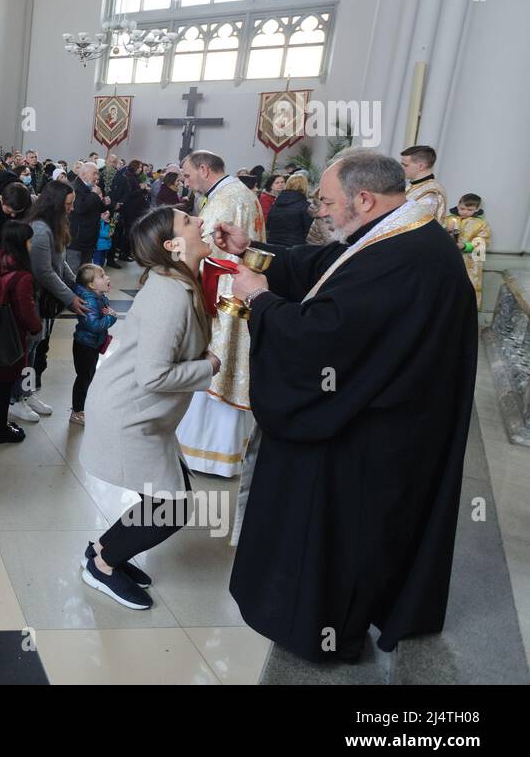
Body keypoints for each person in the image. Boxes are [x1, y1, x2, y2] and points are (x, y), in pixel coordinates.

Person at [218, 151, 477, 661]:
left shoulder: (408, 255)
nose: (322, 211)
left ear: (364, 198)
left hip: (371, 432)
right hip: (390, 415)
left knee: (336, 535)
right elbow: (327, 266)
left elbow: (325, 336)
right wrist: (255, 251)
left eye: (328, 202)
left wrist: (261, 301)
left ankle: (321, 630)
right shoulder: (398, 232)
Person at [80, 206, 219, 609]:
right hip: (129, 412)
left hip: (143, 412)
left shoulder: (178, 278)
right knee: (171, 508)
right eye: (190, 221)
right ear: (172, 245)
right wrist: (207, 366)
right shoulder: (169, 294)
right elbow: (153, 376)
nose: (201, 222)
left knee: (170, 496)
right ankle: (102, 565)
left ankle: (103, 550)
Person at [173, 150, 265, 479]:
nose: (184, 181)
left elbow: (202, 248)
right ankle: (222, 452)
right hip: (235, 291)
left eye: (186, 174)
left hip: (225, 296)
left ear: (204, 169)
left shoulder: (225, 200)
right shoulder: (238, 192)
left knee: (215, 366)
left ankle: (206, 455)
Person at [22, 180, 84, 422]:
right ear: (56, 204)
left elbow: (59, 260)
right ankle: (17, 397)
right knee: (28, 350)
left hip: (45, 300)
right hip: (35, 298)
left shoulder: (52, 226)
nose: (71, 208)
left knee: (35, 350)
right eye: (68, 204)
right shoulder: (39, 229)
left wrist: (76, 282)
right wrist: (70, 297)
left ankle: (27, 393)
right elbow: (43, 271)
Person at [0, 220, 41, 444]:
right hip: (12, 333)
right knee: (5, 381)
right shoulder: (21, 276)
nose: (32, 244)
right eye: (29, 240)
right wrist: (36, 327)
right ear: (20, 242)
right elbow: (25, 309)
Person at [70, 263, 117, 426]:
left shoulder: (98, 296)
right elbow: (94, 325)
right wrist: (112, 317)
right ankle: (77, 411)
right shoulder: (89, 301)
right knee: (84, 378)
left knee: (88, 376)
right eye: (102, 276)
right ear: (91, 285)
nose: (107, 277)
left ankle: (82, 407)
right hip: (85, 346)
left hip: (92, 344)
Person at [444, 193, 491, 306]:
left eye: (469, 209)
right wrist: (446, 230)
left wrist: (466, 246)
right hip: (448, 258)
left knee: (467, 285)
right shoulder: (448, 219)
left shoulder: (481, 224)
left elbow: (483, 241)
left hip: (469, 261)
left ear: (477, 209)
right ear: (458, 205)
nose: (464, 212)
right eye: (462, 208)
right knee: (447, 284)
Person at [66, 161, 104, 274]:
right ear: (83, 174)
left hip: (89, 240)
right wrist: (95, 195)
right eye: (94, 174)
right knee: (73, 274)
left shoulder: (92, 188)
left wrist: (104, 203)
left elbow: (98, 208)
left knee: (85, 275)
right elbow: (79, 208)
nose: (97, 177)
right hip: (77, 241)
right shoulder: (75, 187)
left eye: (97, 174)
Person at [265, 173, 314, 246]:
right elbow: (309, 231)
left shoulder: (276, 203)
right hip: (294, 248)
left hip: (272, 245)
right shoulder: (306, 206)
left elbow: (268, 225)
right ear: (304, 187)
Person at [400, 144, 447, 221]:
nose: (401, 168)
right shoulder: (414, 185)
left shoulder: (431, 194)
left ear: (421, 166)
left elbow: (412, 223)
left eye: (405, 165)